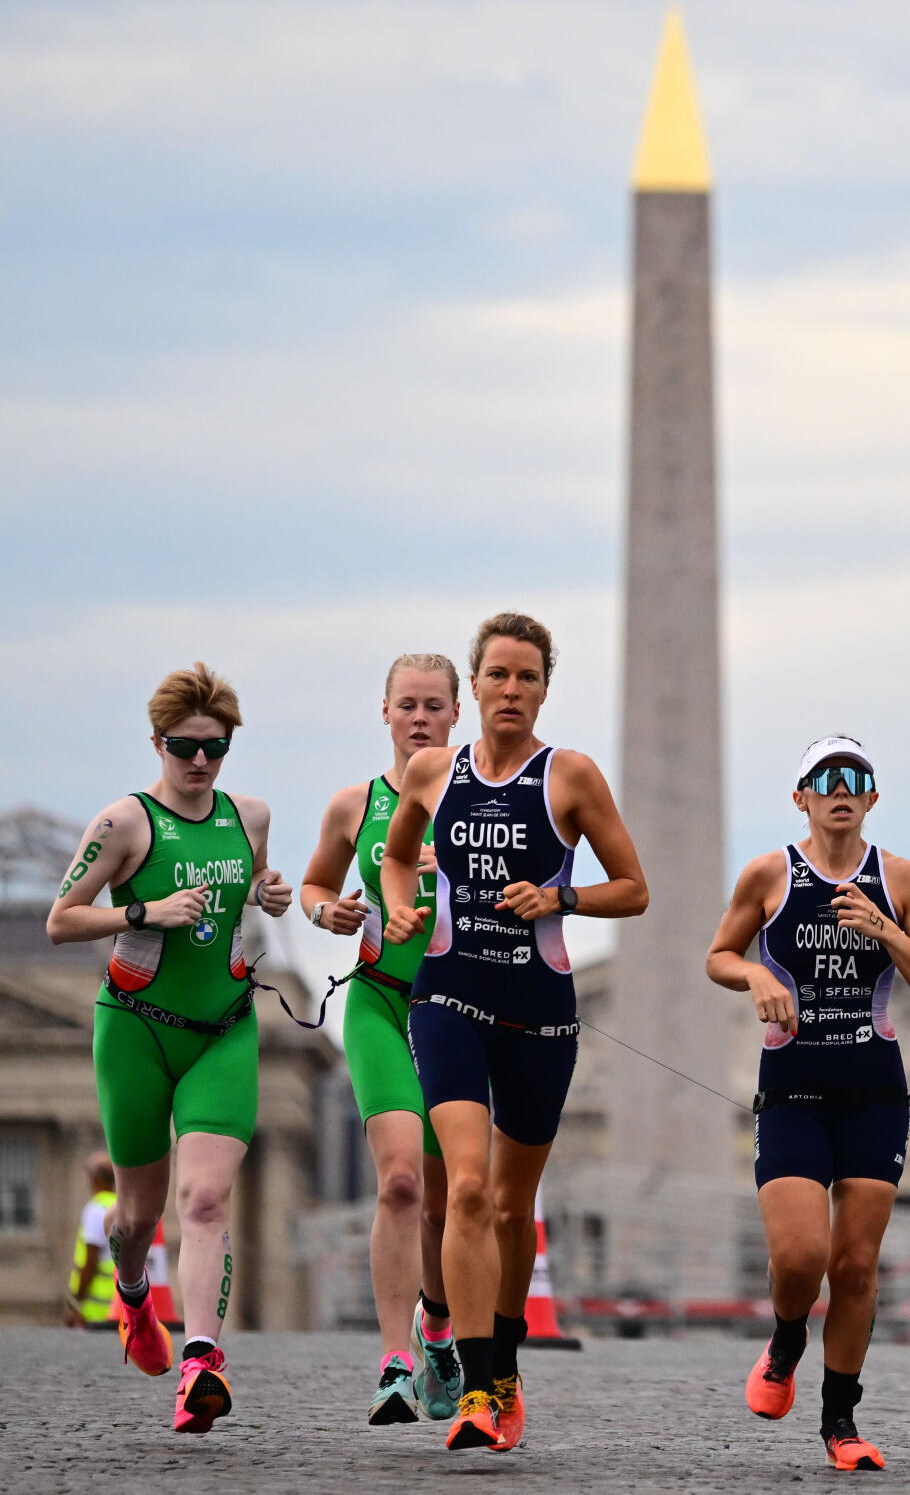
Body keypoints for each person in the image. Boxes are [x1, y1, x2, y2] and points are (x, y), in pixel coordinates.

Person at [379, 612, 649, 1453]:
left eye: (527, 678)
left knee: (508, 1205)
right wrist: (397, 905)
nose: (511, 690)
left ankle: (505, 1372)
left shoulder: (569, 778)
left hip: (540, 1013)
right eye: (497, 675)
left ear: (543, 690)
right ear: (477, 685)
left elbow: (634, 888)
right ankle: (473, 1381)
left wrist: (561, 897)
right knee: (461, 1187)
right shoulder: (432, 771)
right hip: (449, 999)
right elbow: (395, 856)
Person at [45, 662, 293, 1433]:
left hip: (223, 1030)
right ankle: (131, 1297)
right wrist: (144, 910)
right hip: (136, 1032)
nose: (199, 762)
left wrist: (270, 892)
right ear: (158, 742)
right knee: (136, 1221)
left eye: (215, 748)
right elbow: (61, 919)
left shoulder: (249, 816)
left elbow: (243, 889)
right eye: (186, 747)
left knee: (207, 1199)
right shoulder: (123, 823)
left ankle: (200, 1366)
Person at [708, 736, 910, 1473]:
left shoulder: (901, 879)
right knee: (800, 1257)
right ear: (802, 798)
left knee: (855, 1267)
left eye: (856, 778)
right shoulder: (769, 873)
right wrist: (755, 977)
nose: (841, 788)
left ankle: (841, 1420)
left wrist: (886, 930)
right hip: (792, 1089)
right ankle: (787, 1341)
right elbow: (718, 954)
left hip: (874, 1090)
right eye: (825, 778)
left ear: (873, 799)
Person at [298, 653, 466, 1424]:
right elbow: (315, 886)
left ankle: (439, 1326)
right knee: (400, 1181)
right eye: (408, 704)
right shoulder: (352, 806)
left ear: (455, 717)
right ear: (387, 713)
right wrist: (325, 911)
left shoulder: (477, 804)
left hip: (457, 1012)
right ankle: (396, 1359)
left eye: (435, 705)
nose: (420, 717)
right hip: (378, 1007)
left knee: (444, 1199)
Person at [66, 1156, 119, 1328]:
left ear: (93, 1178)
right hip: (120, 1305)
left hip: (95, 1310)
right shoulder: (120, 1206)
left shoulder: (95, 1210)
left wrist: (75, 1303)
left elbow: (90, 1262)